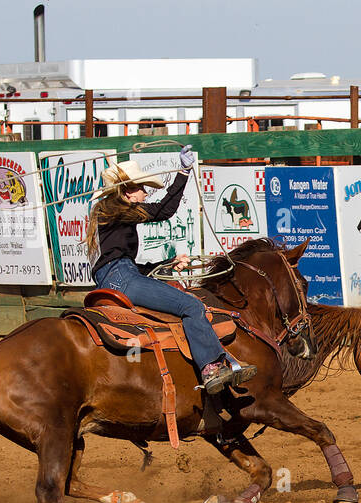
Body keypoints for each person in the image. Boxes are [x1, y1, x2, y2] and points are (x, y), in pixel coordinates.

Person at [85, 146, 257, 393]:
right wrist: (184, 172)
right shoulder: (116, 211)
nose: (145, 193)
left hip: (115, 278)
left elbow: (123, 265)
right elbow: (165, 210)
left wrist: (164, 265)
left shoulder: (108, 214)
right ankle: (211, 367)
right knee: (191, 305)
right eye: (141, 188)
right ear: (127, 192)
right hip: (122, 277)